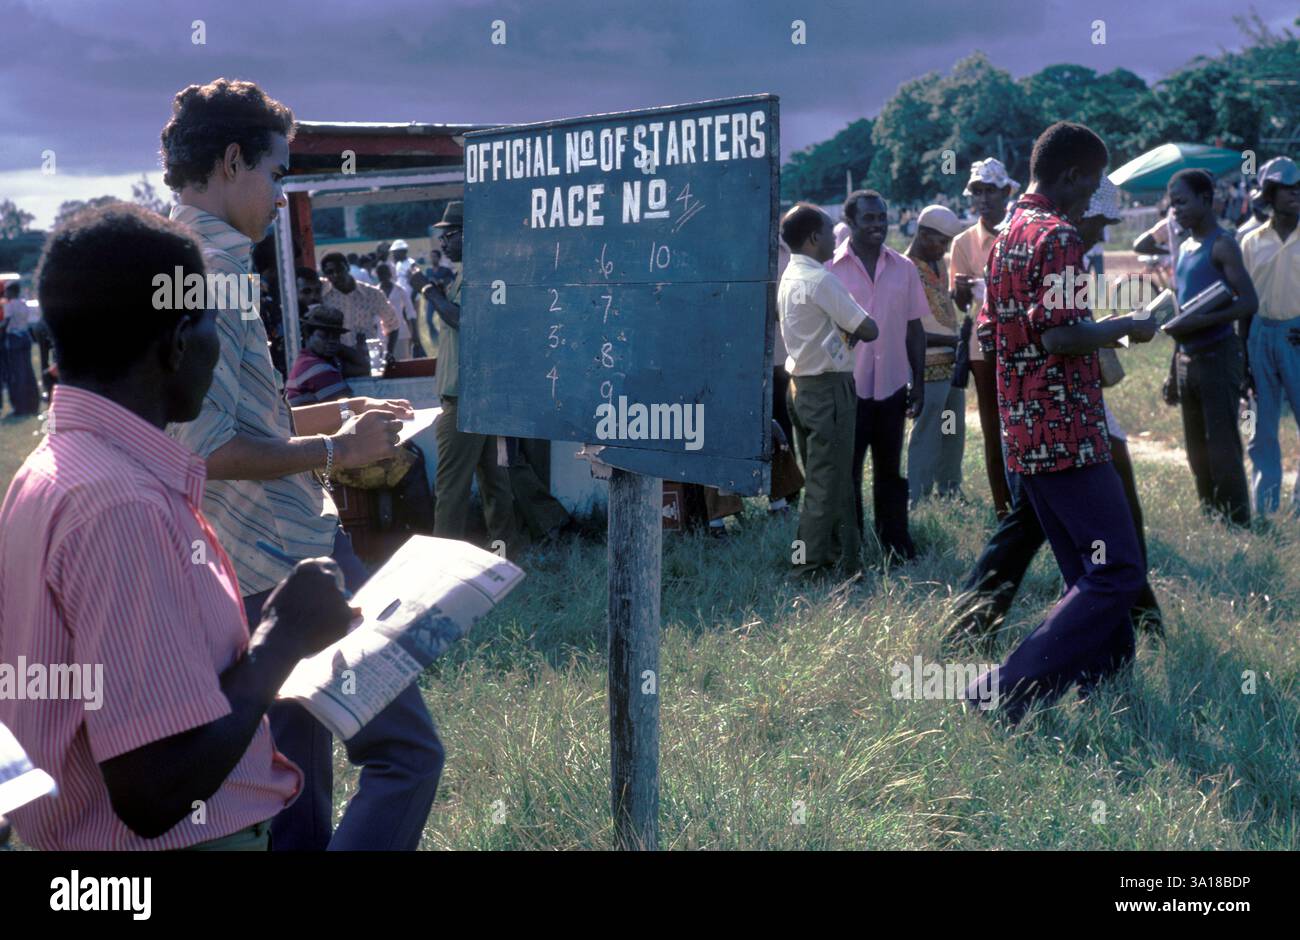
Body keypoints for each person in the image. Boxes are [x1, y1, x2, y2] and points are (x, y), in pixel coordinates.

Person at [0, 202, 359, 850]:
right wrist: (283, 637)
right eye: (214, 329)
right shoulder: (121, 507)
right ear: (177, 344)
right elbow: (154, 790)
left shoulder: (53, 472)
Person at [161, 78, 443, 850]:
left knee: (291, 784)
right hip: (282, 557)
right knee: (407, 754)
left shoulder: (183, 258)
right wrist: (336, 449)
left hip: (246, 566)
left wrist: (336, 419)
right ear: (230, 162)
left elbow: (239, 422)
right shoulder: (209, 272)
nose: (282, 197)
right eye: (277, 173)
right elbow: (205, 449)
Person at [961, 121, 1158, 723]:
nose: (1090, 195)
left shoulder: (1007, 234)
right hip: (1066, 431)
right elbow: (1062, 333)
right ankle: (1000, 690)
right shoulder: (1059, 237)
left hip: (1024, 430)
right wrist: (1128, 326)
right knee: (1118, 570)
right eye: (1092, 182)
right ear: (1071, 174)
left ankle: (1107, 683)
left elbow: (997, 334)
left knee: (1084, 568)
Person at [409, 200, 518, 551]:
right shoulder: (474, 271)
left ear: (470, 235)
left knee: (451, 487)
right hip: (482, 396)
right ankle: (506, 558)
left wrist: (427, 292)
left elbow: (462, 320)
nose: (443, 242)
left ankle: (444, 565)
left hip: (464, 400)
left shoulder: (478, 273)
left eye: (450, 234)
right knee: (495, 484)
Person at [777, 203, 879, 575]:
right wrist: (850, 326)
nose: (836, 239)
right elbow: (869, 328)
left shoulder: (789, 277)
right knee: (826, 485)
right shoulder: (821, 279)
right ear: (814, 238)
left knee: (828, 478)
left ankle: (841, 557)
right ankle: (806, 566)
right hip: (828, 388)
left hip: (801, 386)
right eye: (830, 232)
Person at [828, 189, 926, 561]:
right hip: (847, 390)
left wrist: (918, 383)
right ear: (849, 223)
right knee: (848, 473)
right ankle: (850, 549)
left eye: (882, 217)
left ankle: (895, 546)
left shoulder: (904, 267)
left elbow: (914, 330)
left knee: (890, 471)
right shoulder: (830, 270)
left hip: (891, 387)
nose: (878, 225)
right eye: (868, 218)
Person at [1163, 168, 1257, 527]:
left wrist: (1201, 322)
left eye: (1183, 202)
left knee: (1222, 447)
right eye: (1173, 205)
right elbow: (1181, 318)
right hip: (1188, 360)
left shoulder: (1222, 244)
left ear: (1207, 199)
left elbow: (1248, 302)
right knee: (1196, 449)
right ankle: (1211, 515)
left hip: (1218, 356)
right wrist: (1174, 370)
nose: (1177, 211)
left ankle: (1238, 521)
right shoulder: (1184, 248)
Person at [950, 157, 1018, 518]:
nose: (984, 198)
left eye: (990, 190)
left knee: (1021, 421)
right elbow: (959, 302)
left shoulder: (1019, 232)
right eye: (977, 191)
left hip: (1021, 341)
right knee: (993, 427)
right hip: (983, 347)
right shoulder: (963, 243)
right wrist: (962, 290)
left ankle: (1030, 501)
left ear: (1006, 192)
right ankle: (1003, 506)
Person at [1240, 156, 1300, 516]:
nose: (1295, 194)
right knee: (1261, 429)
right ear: (1269, 195)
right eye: (1287, 188)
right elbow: (1244, 303)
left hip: (1297, 334)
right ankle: (1264, 508)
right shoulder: (1250, 242)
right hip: (1259, 335)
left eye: (1299, 188)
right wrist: (1243, 355)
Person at [904, 205, 967, 505]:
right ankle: (917, 499)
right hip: (927, 366)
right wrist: (951, 339)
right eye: (940, 242)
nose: (944, 249)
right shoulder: (904, 269)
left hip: (951, 363)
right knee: (927, 432)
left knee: (953, 430)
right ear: (923, 234)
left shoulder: (937, 265)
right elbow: (905, 330)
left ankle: (950, 489)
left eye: (947, 243)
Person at [320, 250, 402, 372]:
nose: (336, 275)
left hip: (366, 360)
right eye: (330, 272)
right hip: (335, 363)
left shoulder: (371, 294)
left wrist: (388, 353)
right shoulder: (323, 295)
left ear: (347, 267)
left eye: (339, 269)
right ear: (325, 276)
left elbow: (393, 324)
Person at [286, 304, 351, 405]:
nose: (332, 341)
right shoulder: (318, 369)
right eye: (324, 336)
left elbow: (362, 367)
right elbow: (347, 410)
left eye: (336, 336)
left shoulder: (304, 361)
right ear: (308, 335)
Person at [0, 282, 41, 417]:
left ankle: (20, 406)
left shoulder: (9, 305)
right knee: (28, 371)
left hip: (14, 339)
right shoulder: (24, 303)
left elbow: (6, 323)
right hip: (25, 338)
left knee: (17, 374)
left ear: (10, 292)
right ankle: (33, 403)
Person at [376, 262, 419, 359]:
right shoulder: (375, 292)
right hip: (382, 334)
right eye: (380, 274)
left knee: (403, 363)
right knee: (385, 365)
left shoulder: (400, 290)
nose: (383, 276)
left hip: (401, 333)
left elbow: (410, 312)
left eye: (385, 273)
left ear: (390, 274)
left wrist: (415, 332)